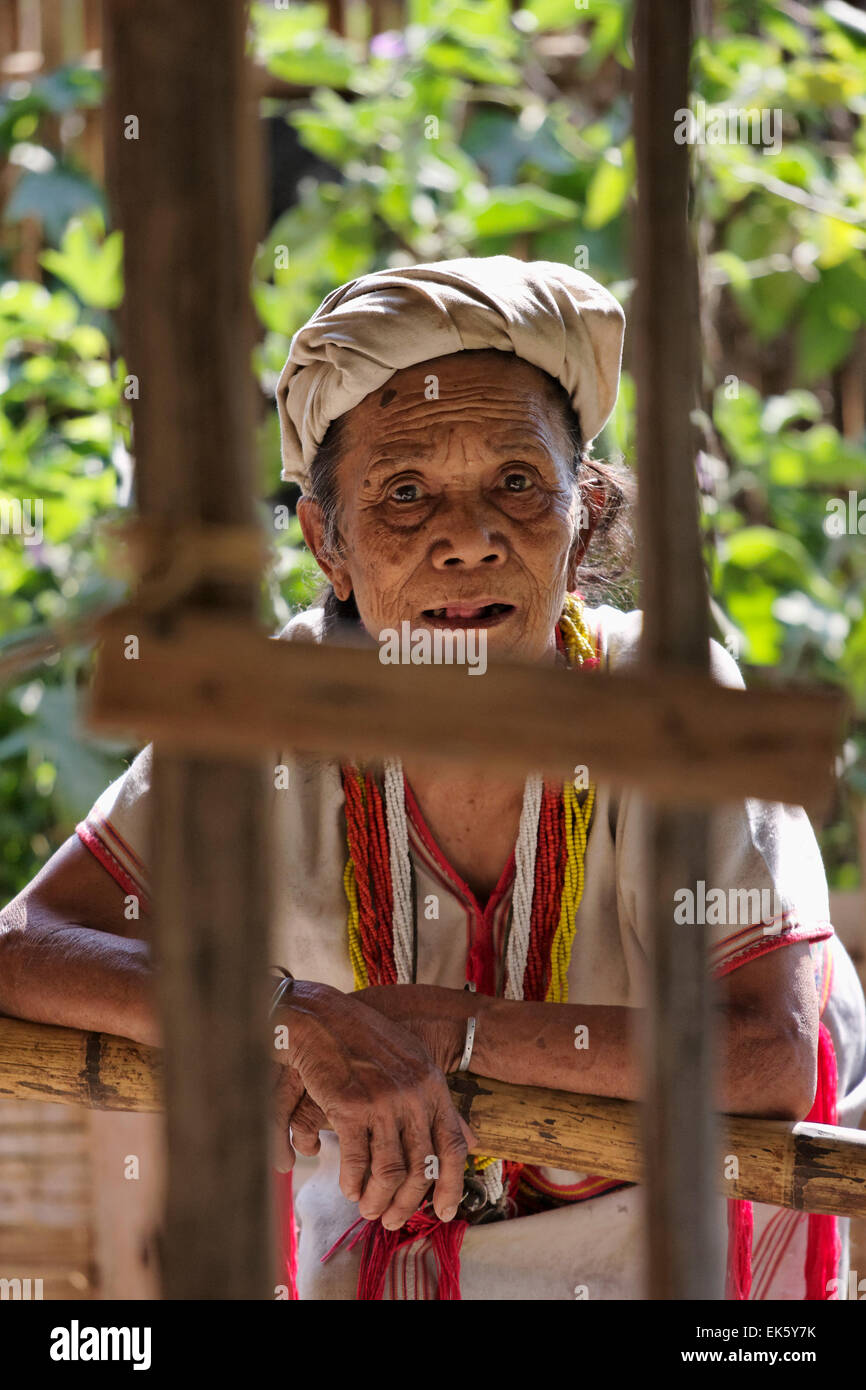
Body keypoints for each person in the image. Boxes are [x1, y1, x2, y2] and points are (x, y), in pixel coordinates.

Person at [2, 256, 864, 1301]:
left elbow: (769, 1055)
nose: (467, 539)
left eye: (517, 482)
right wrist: (293, 1016)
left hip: (689, 1241)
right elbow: (22, 946)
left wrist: (445, 1028)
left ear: (583, 517)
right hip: (387, 1240)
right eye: (405, 494)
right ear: (327, 543)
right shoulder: (268, 718)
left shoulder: (668, 703)